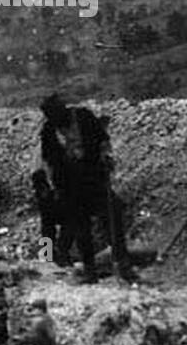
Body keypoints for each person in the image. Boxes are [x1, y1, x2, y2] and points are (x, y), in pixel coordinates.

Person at [39, 94, 133, 283]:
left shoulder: (81, 118)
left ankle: (119, 262)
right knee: (59, 225)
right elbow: (48, 162)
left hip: (88, 180)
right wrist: (46, 257)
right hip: (61, 185)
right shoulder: (49, 133)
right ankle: (51, 258)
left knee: (106, 215)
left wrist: (105, 158)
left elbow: (102, 141)